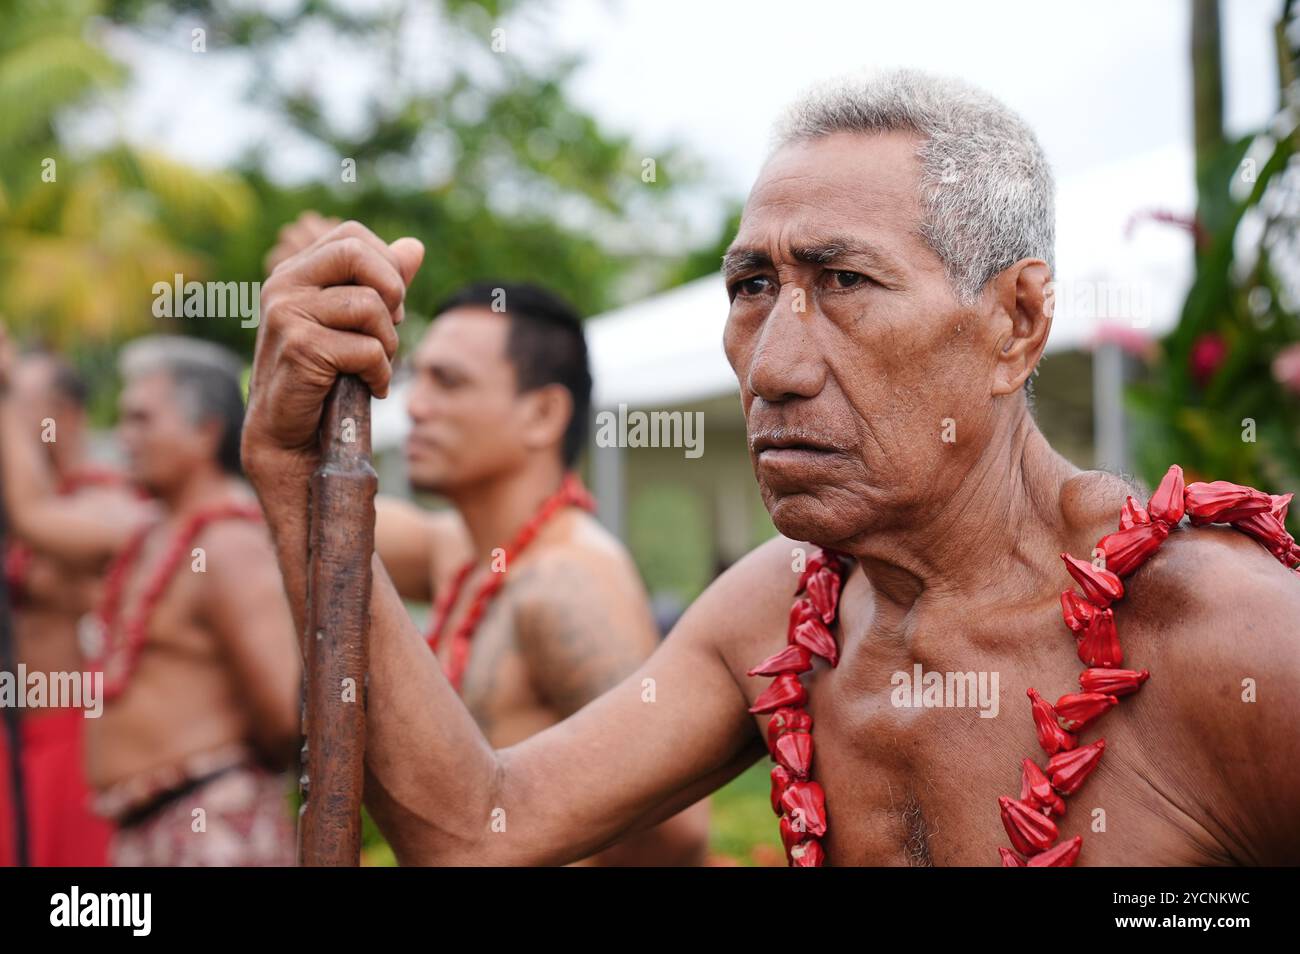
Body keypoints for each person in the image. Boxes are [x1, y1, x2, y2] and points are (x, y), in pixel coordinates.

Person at [243, 69, 1300, 866]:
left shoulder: (1232, 642)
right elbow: (476, 825)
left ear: (1015, 321)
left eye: (843, 279)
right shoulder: (783, 615)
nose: (778, 367)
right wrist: (293, 475)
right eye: (751, 285)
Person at [267, 220, 710, 864]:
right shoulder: (459, 549)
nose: (415, 407)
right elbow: (318, 512)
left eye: (450, 382)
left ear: (542, 414)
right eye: (418, 378)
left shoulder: (568, 582)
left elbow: (680, 829)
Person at [1, 335, 301, 866]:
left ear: (205, 430)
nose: (124, 437)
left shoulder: (228, 544)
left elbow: (283, 720)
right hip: (151, 826)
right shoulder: (150, 535)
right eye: (123, 419)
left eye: (142, 420)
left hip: (208, 825)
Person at [0, 349, 134, 866]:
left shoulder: (105, 501)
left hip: (67, 735)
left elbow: (40, 518)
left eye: (18, 402)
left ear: (66, 415)